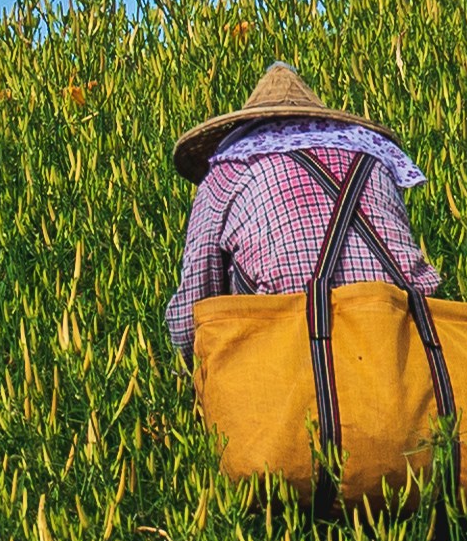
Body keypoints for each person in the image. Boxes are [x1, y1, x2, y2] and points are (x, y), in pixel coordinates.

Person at [166, 60, 436, 360]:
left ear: (248, 129)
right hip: (399, 344)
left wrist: (182, 369)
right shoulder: (375, 160)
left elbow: (194, 307)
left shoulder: (229, 169)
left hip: (286, 354)